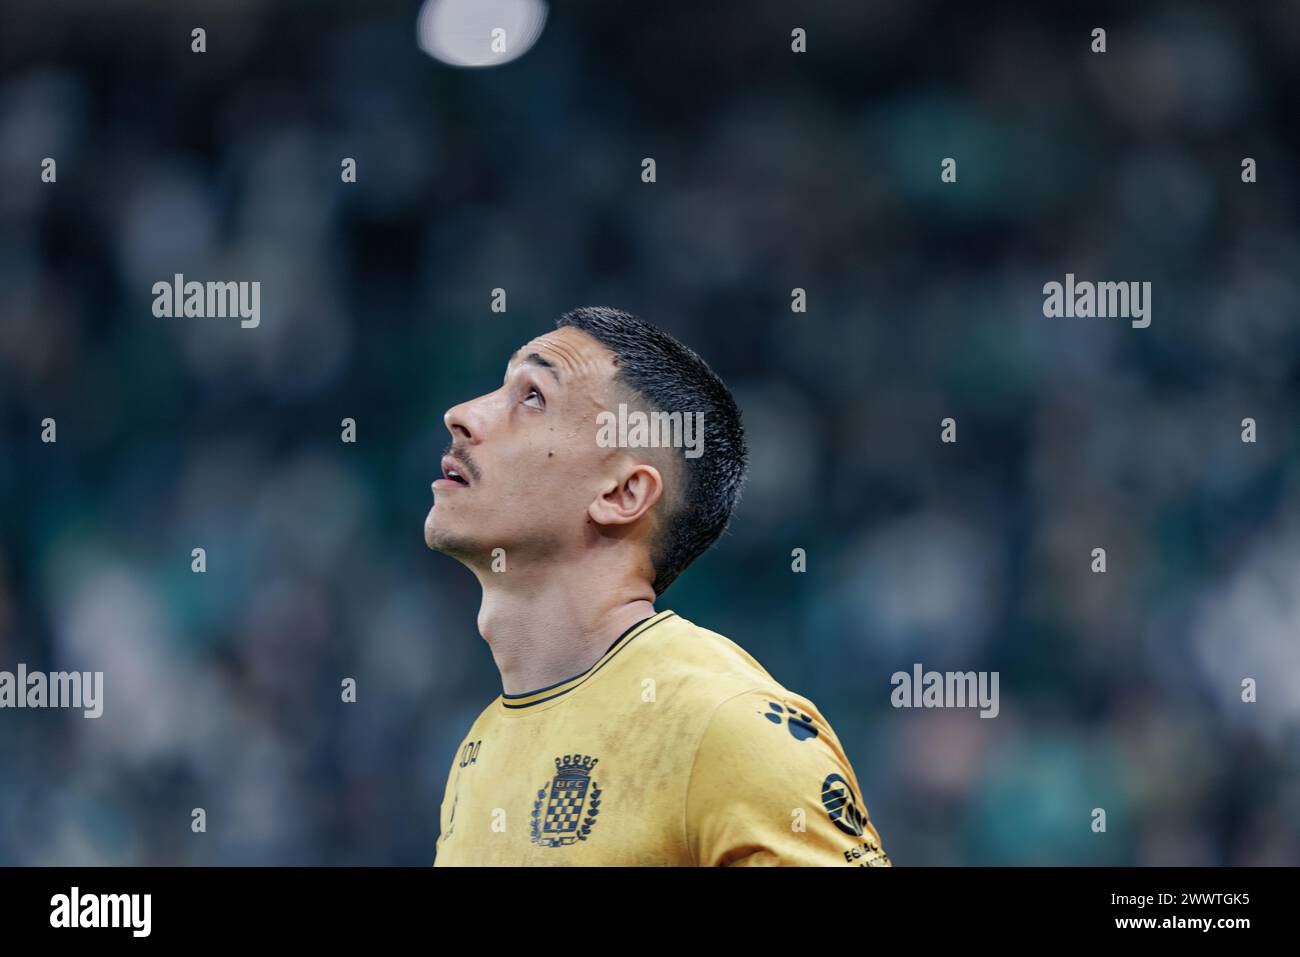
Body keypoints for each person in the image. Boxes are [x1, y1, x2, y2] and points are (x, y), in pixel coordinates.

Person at [427, 306, 889, 866]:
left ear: (623, 495)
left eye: (532, 397)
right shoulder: (479, 751)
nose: (461, 415)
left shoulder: (727, 722)